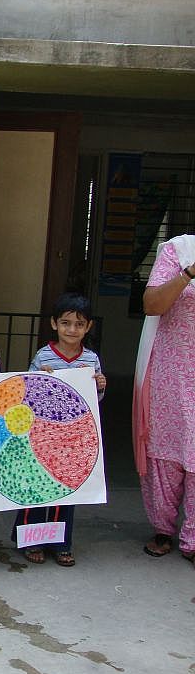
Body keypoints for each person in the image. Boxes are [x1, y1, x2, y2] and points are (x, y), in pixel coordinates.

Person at [14, 292, 106, 567]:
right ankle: (31, 541)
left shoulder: (91, 359)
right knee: (37, 489)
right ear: (54, 324)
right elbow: (28, 392)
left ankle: (61, 543)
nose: (72, 330)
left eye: (79, 324)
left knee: (67, 491)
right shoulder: (44, 355)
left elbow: (94, 401)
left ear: (88, 327)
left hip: (74, 437)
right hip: (42, 435)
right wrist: (41, 379)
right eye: (66, 323)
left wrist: (100, 386)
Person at [134, 235, 195, 564]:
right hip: (172, 370)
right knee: (166, 452)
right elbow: (152, 304)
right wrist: (189, 273)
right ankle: (162, 529)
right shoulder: (178, 250)